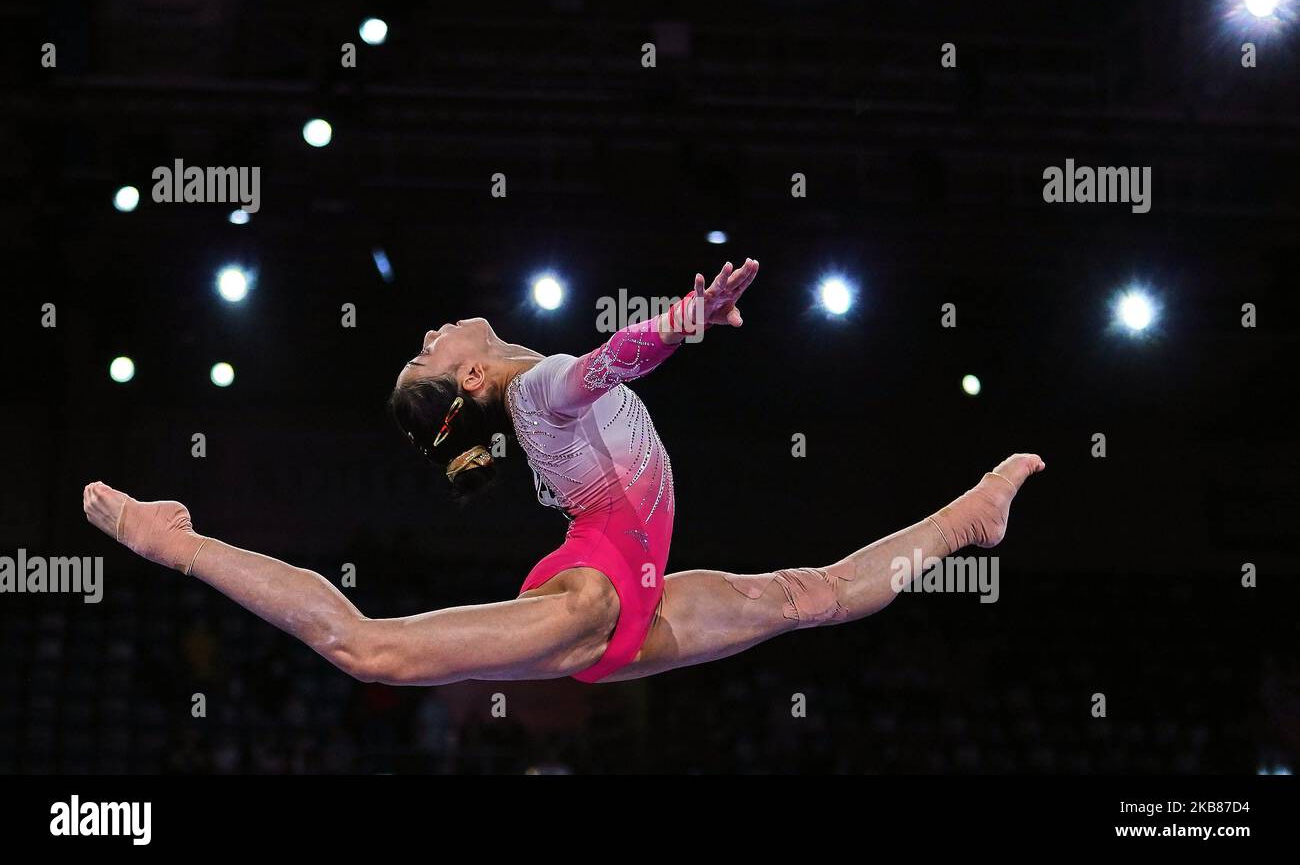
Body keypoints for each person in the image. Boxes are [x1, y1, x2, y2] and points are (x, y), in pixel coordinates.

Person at [83, 258, 1044, 686]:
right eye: (425, 352)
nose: (428, 330)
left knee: (814, 595)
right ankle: (175, 541)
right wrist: (682, 321)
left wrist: (676, 328)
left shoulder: (535, 403)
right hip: (595, 600)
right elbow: (610, 361)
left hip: (634, 600)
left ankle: (971, 514)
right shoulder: (539, 388)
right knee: (368, 649)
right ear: (467, 373)